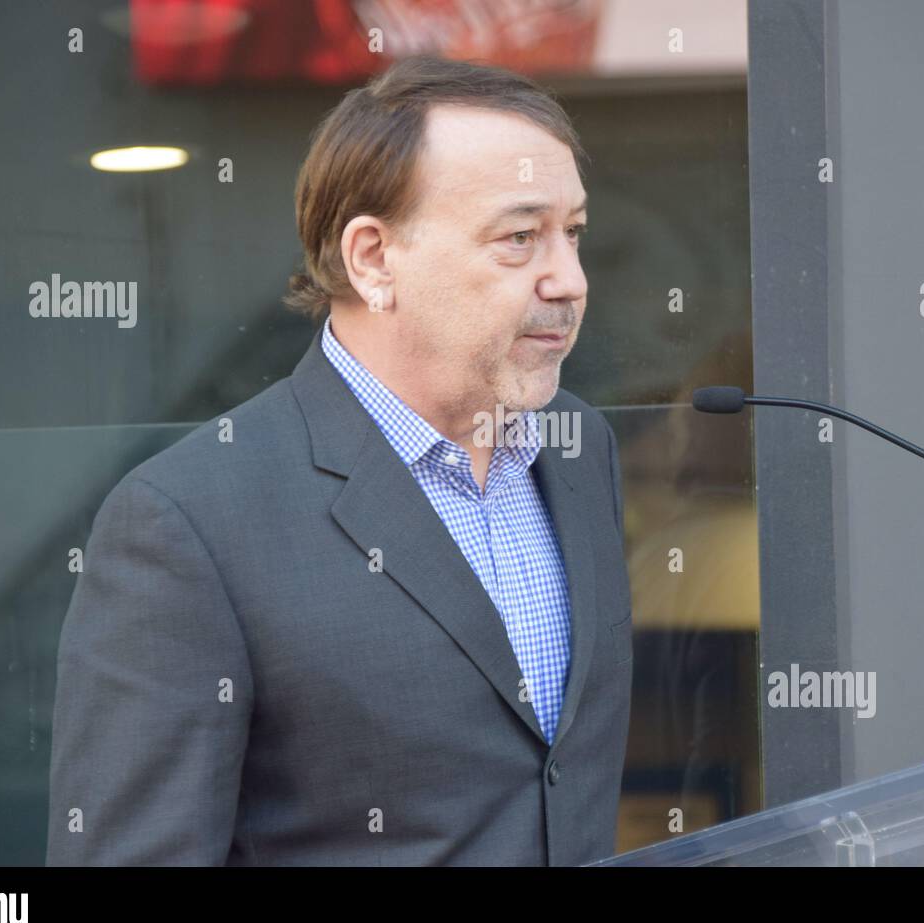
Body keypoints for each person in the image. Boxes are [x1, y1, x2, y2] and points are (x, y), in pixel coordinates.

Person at [46, 54, 632, 866]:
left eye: (572, 234)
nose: (568, 279)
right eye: (519, 238)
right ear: (372, 259)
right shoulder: (188, 523)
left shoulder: (578, 448)